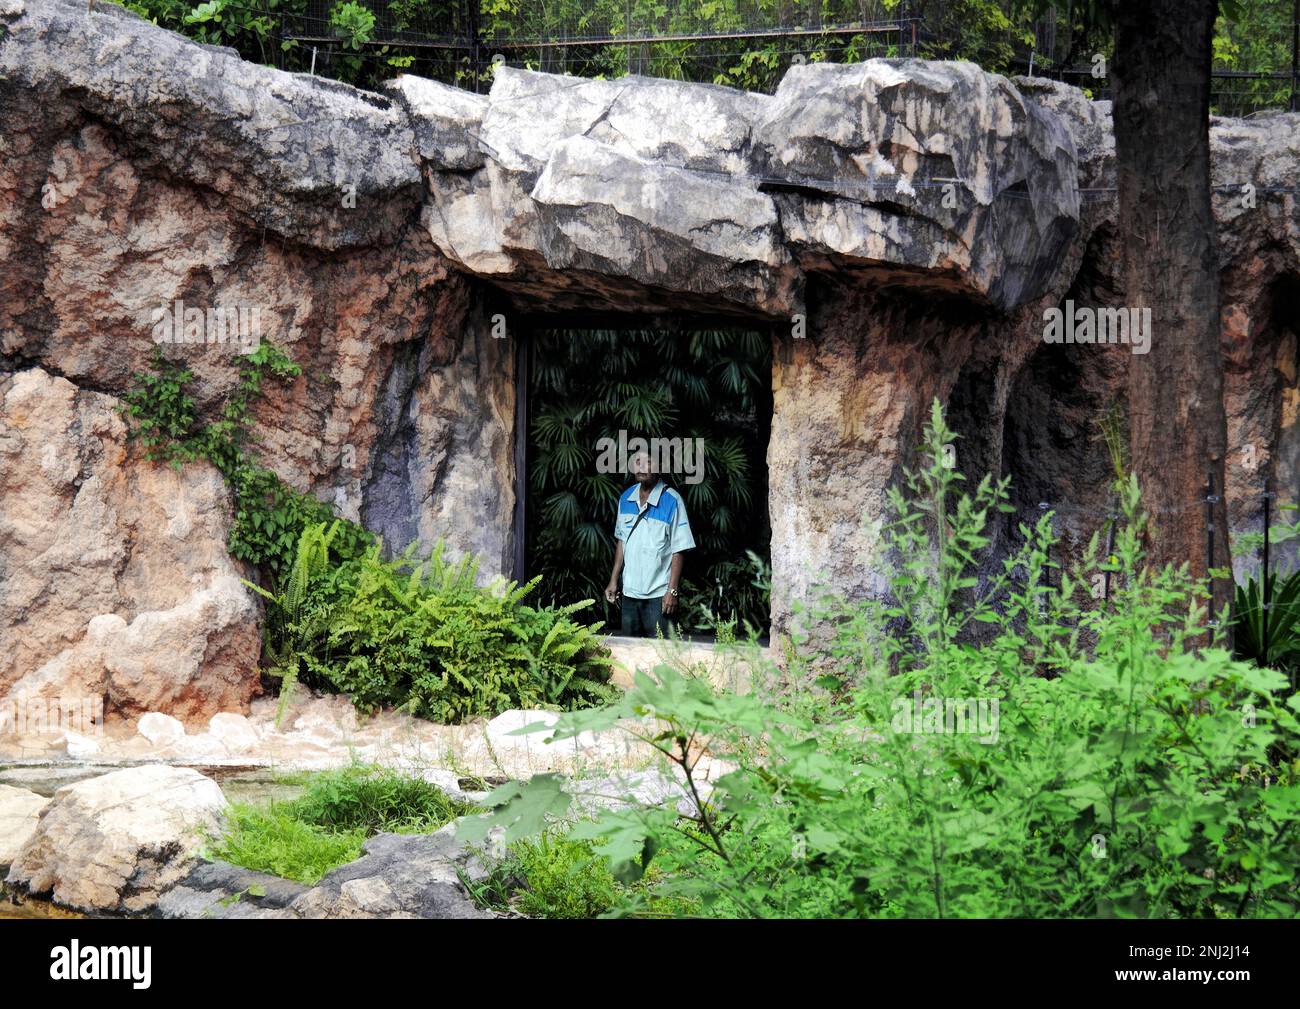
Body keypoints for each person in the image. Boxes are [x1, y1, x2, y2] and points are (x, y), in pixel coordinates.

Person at [604, 450, 695, 637]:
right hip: (630, 594)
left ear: (660, 467)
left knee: (662, 656)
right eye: (637, 461)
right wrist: (613, 580)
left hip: (659, 596)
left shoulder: (672, 500)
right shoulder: (626, 498)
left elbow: (679, 550)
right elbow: (622, 541)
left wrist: (672, 591)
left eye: (648, 462)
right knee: (631, 656)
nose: (642, 466)